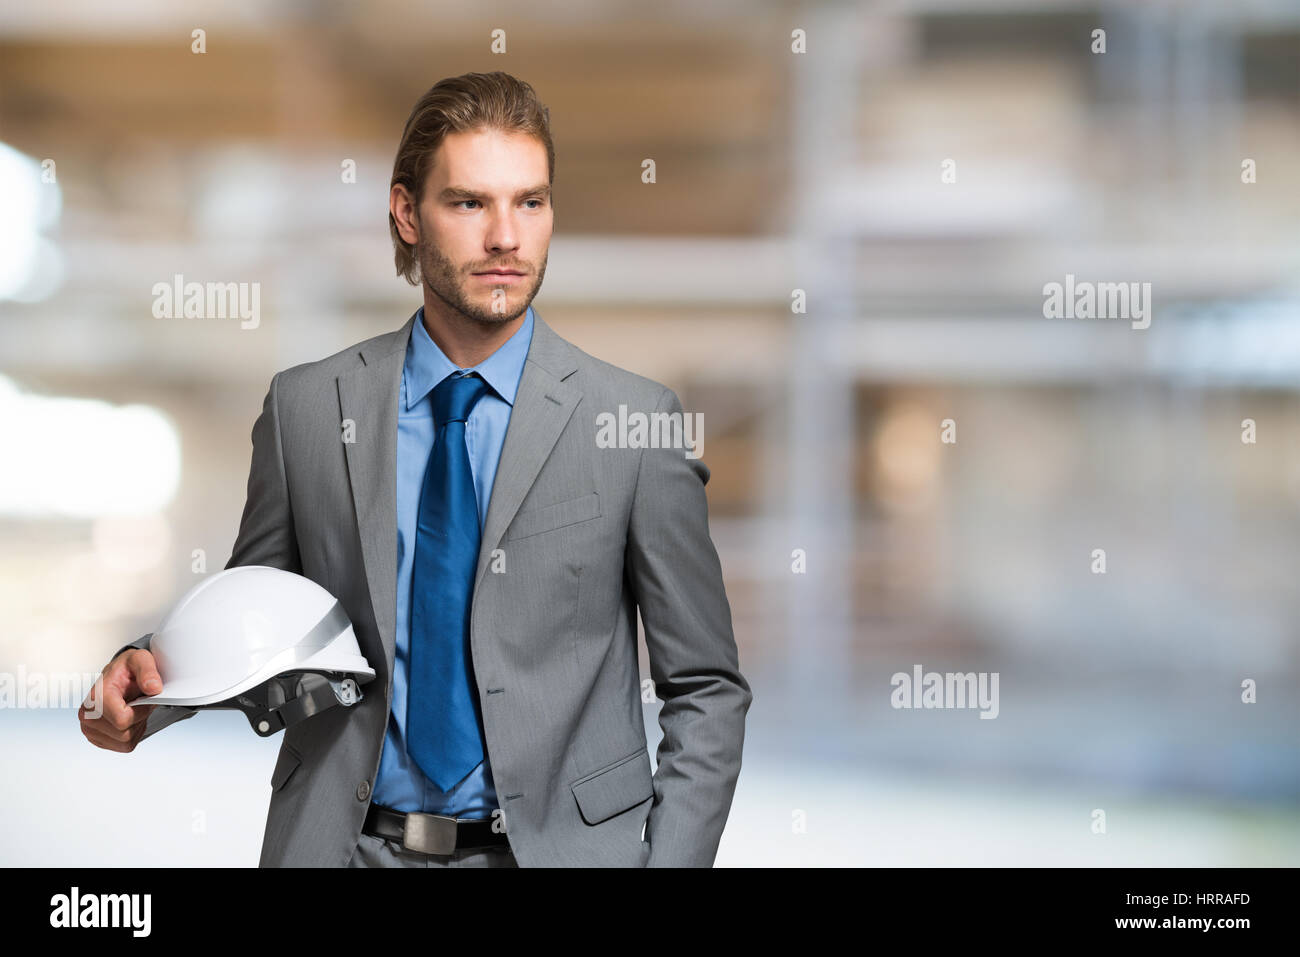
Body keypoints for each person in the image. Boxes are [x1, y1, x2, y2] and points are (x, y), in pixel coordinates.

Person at [77, 71, 752, 868]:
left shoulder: (634, 424)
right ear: (406, 213)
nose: (506, 236)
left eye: (530, 202)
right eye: (470, 203)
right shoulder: (306, 410)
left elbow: (706, 686)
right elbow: (257, 617)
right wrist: (148, 685)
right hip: (345, 848)